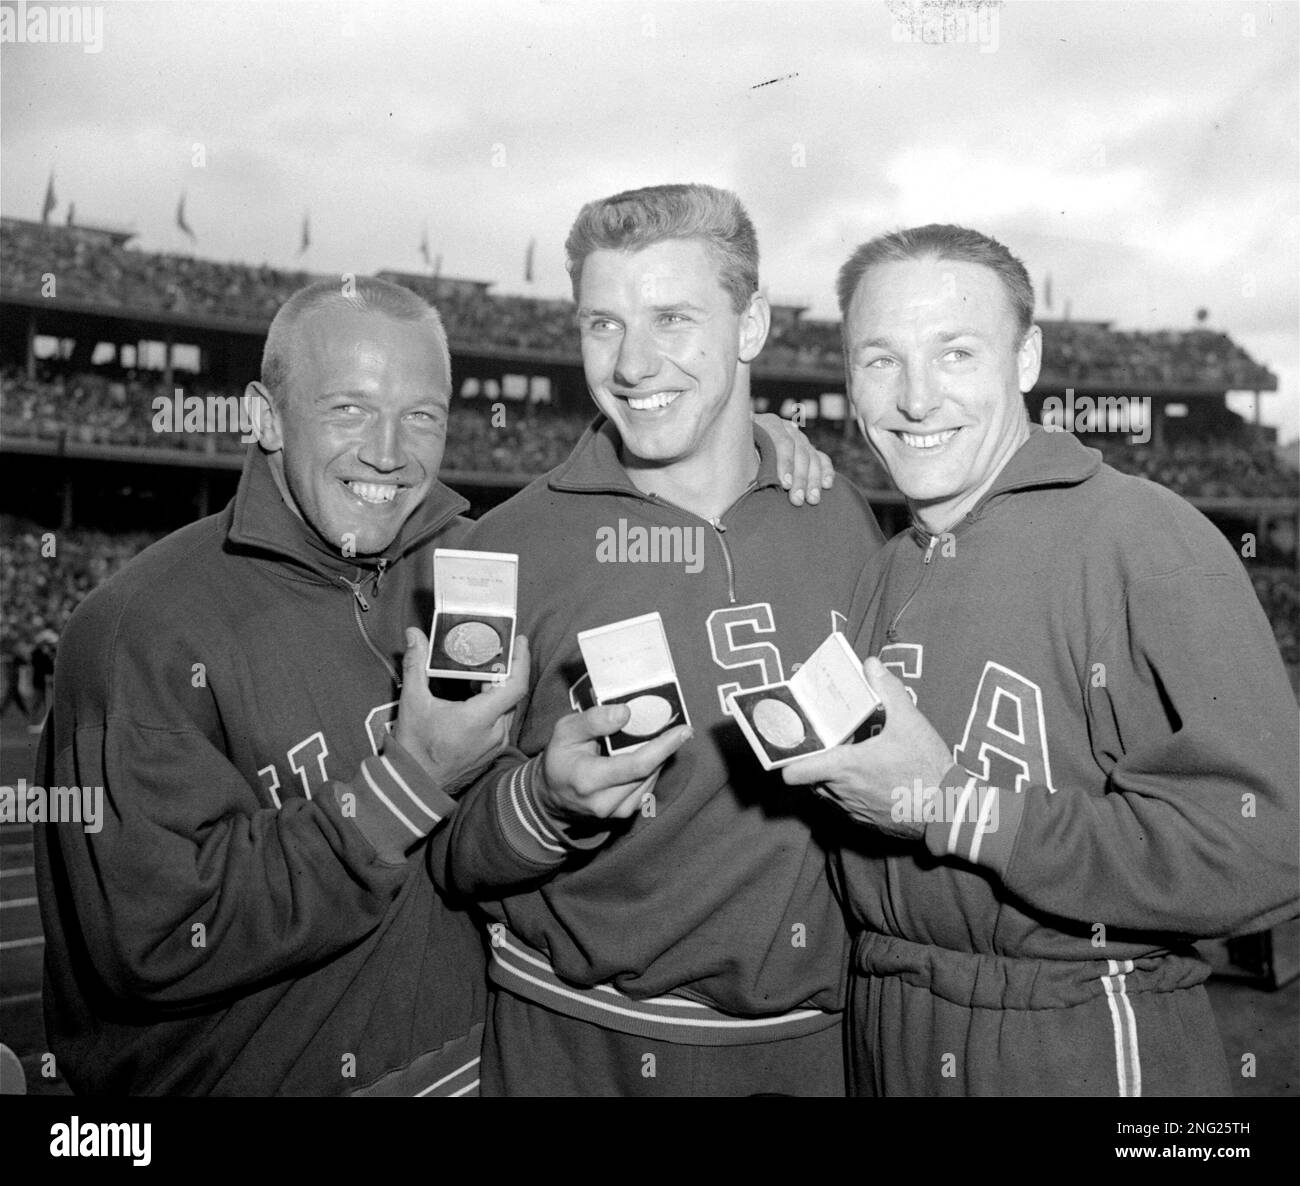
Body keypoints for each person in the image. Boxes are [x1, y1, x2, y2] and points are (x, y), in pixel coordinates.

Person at [30, 275, 834, 1097]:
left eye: (421, 416)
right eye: (348, 409)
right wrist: (405, 781)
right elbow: (158, 939)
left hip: (482, 1071)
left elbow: (599, 499)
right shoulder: (141, 628)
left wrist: (746, 438)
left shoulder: (473, 565)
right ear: (265, 416)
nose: (389, 450)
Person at [784, 224, 1300, 1096]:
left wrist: (955, 807)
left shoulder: (1146, 538)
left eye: (955, 353)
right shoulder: (886, 567)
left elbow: (1269, 847)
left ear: (1027, 360)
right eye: (880, 361)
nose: (915, 399)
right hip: (888, 1023)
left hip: (1079, 1035)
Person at [435, 184, 885, 1096]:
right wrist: (545, 802)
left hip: (816, 1050)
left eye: (673, 318)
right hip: (579, 1050)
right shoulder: (500, 552)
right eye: (603, 324)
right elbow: (442, 848)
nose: (633, 364)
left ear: (751, 324)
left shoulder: (836, 510)